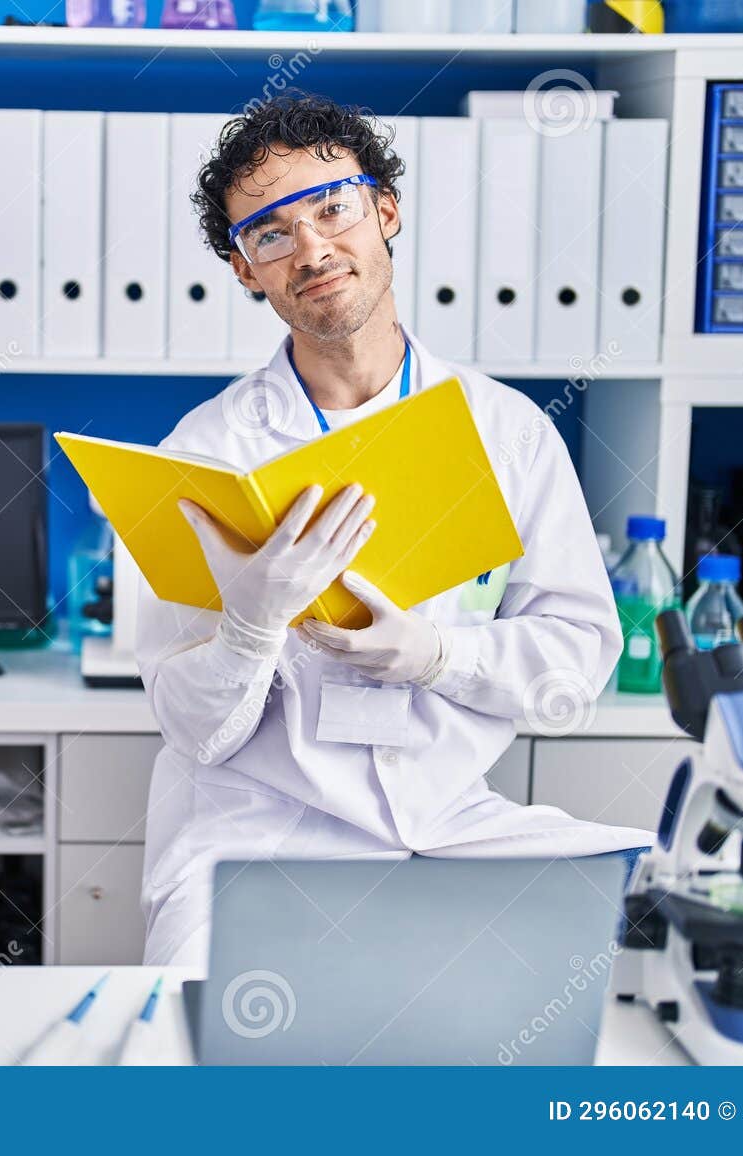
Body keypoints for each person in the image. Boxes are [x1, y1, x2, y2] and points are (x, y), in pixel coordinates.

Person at [134, 93, 651, 966]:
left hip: (443, 827)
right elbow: (193, 729)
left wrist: (442, 656)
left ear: (385, 210)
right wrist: (248, 630)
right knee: (194, 1038)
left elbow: (576, 662)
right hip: (258, 838)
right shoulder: (208, 453)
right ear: (243, 270)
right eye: (269, 233)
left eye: (332, 207)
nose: (313, 249)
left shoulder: (506, 431)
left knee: (632, 911)